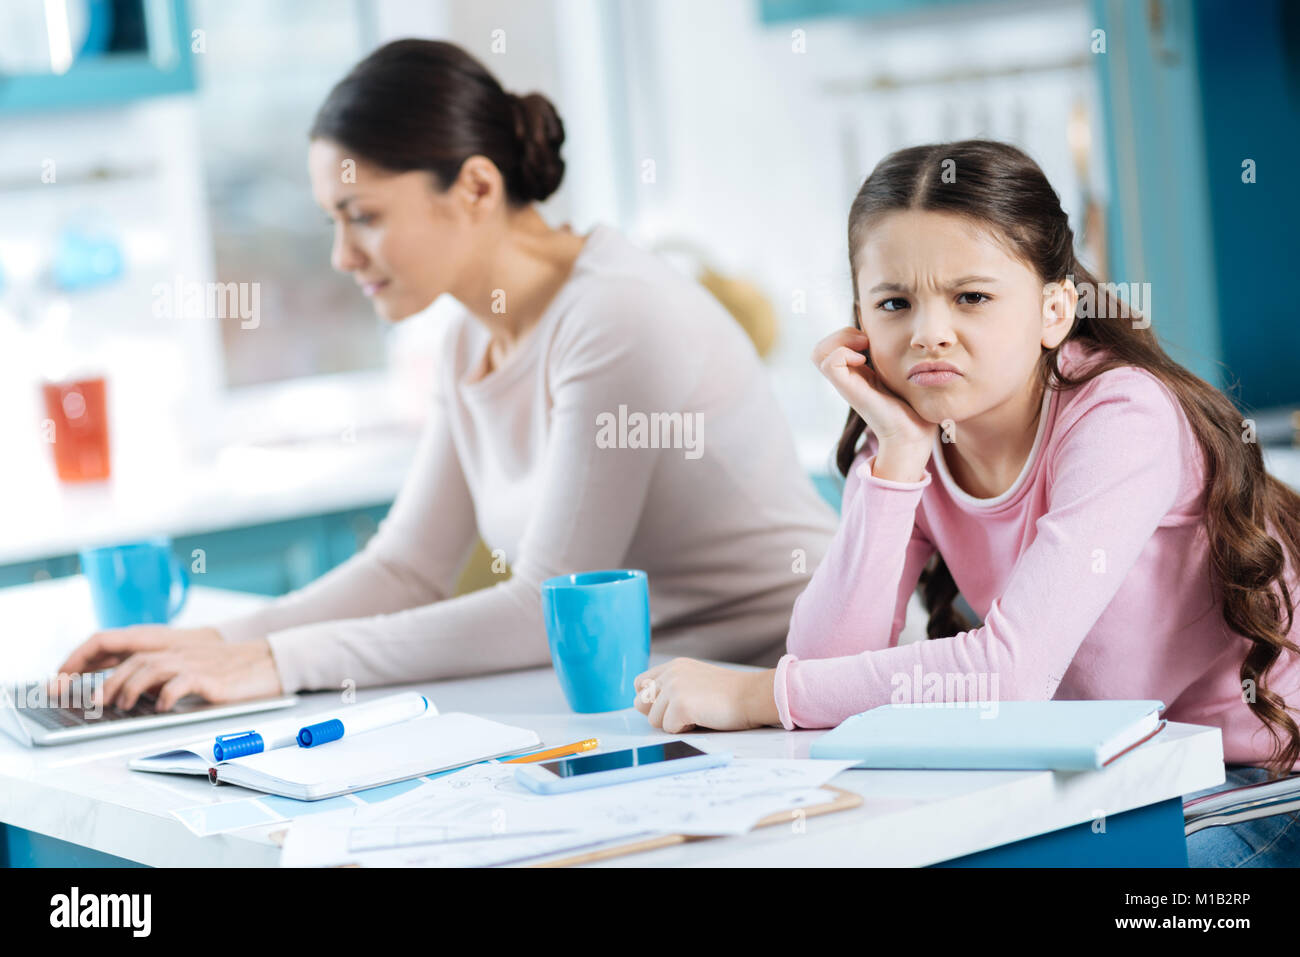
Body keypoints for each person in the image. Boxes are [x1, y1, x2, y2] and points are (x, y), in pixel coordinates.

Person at [54, 39, 837, 711]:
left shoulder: (614, 316)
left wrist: (276, 664)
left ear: (475, 188)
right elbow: (407, 567)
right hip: (676, 701)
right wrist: (211, 642)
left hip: (798, 688)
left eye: (362, 215)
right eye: (332, 219)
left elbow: (541, 609)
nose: (341, 255)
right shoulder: (473, 337)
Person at [632, 140, 1300, 866]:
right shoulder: (903, 440)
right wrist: (895, 457)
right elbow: (824, 660)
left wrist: (757, 694)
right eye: (894, 303)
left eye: (971, 297)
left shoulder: (1123, 414)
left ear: (1054, 310)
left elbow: (1009, 674)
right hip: (1109, 775)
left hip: (1251, 778)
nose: (928, 333)